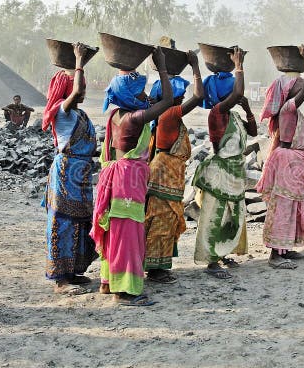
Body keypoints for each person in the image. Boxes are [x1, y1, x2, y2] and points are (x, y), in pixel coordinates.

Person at [91, 47, 174, 306]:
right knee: (128, 235)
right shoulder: (135, 119)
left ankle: (108, 281)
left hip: (118, 179)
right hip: (128, 181)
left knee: (116, 230)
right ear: (129, 95)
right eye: (139, 91)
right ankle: (124, 291)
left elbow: (151, 102)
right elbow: (168, 101)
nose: (144, 95)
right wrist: (161, 67)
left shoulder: (116, 114)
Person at [192, 48, 257, 279]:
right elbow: (239, 90)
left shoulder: (234, 116)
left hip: (235, 173)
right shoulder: (217, 113)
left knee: (231, 216)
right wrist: (239, 65)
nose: (237, 94)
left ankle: (221, 253)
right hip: (220, 174)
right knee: (214, 216)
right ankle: (211, 261)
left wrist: (248, 109)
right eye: (232, 92)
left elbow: (253, 131)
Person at [41, 43, 98, 295]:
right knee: (62, 223)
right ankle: (60, 280)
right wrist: (78, 61)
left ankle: (74, 271)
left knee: (80, 222)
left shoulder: (81, 114)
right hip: (66, 173)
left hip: (81, 174)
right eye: (79, 87)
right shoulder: (62, 112)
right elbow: (74, 92)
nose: (82, 91)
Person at [143, 49, 204, 284]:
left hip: (166, 173)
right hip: (163, 175)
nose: (182, 99)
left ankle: (158, 266)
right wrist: (195, 65)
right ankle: (156, 269)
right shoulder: (169, 115)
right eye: (180, 95)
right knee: (161, 221)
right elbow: (199, 96)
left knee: (163, 221)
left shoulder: (167, 116)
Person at [256, 45, 304, 270]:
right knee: (282, 208)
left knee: (291, 207)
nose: (301, 86)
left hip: (292, 163)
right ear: (289, 92)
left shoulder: (292, 110)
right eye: (296, 86)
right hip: (287, 163)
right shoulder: (288, 109)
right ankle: (275, 255)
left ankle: (285, 248)